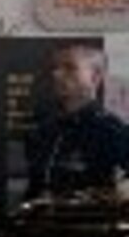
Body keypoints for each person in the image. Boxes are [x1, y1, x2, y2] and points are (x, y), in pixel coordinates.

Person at [25, 43, 129, 199]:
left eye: (70, 67)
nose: (57, 74)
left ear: (95, 77)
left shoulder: (116, 133)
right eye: (55, 68)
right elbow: (34, 190)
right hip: (40, 222)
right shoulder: (43, 132)